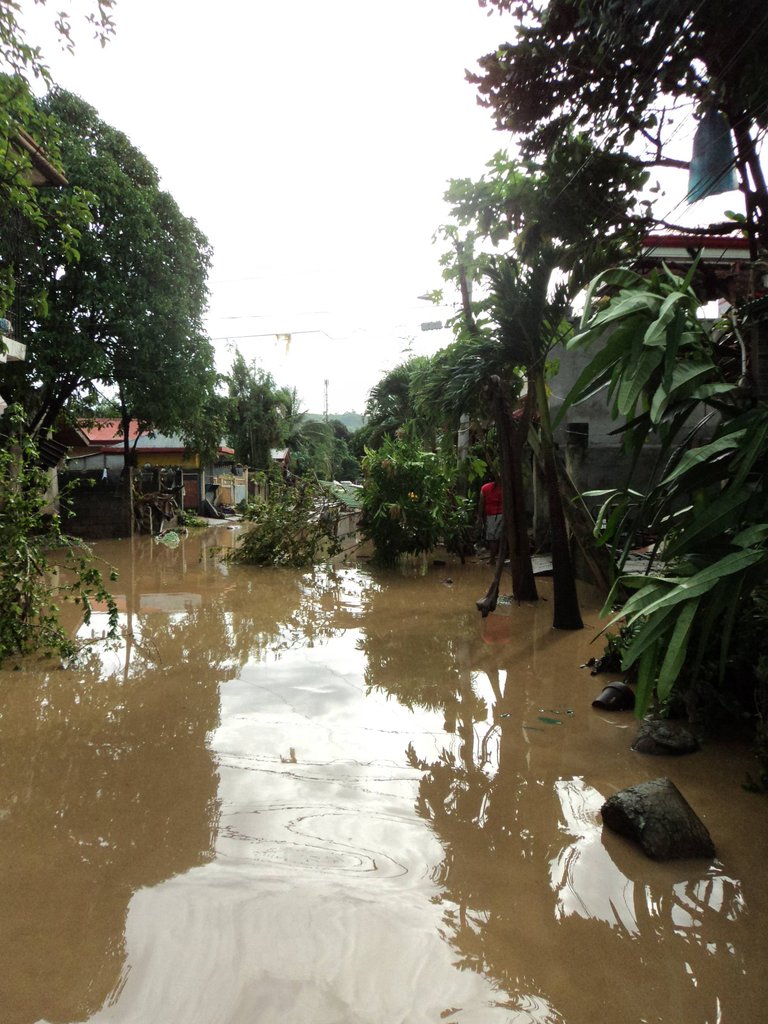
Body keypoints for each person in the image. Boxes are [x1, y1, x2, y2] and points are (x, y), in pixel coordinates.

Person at [478, 475, 503, 564]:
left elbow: (481, 504)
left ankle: (493, 559)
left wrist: (480, 516)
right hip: (502, 515)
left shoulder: (485, 488)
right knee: (500, 538)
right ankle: (499, 558)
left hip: (493, 516)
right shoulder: (505, 489)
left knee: (493, 539)